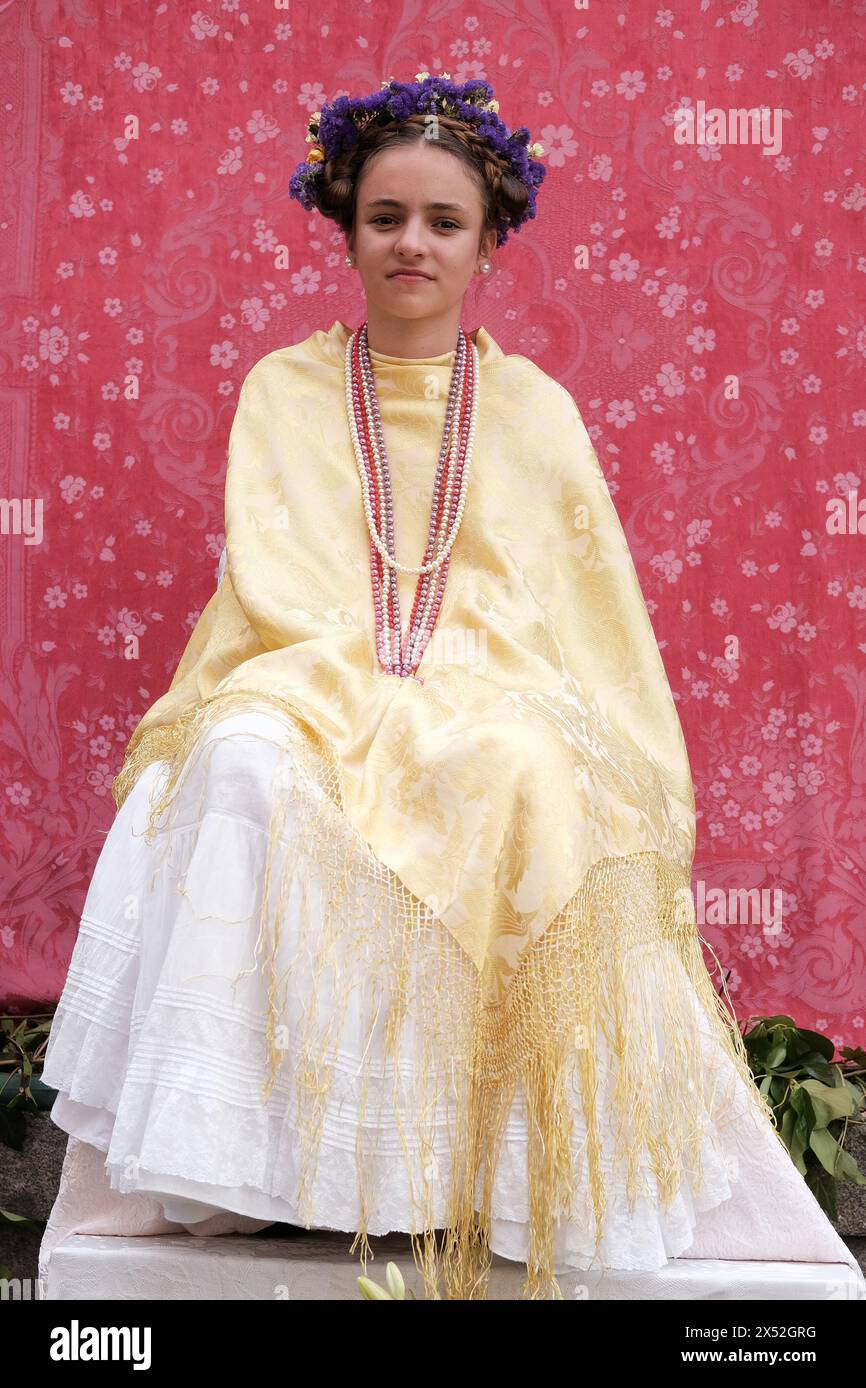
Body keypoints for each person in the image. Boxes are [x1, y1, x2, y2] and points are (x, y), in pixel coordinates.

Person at [39, 73, 864, 1302]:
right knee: (242, 755)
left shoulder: (533, 411)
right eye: (384, 217)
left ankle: (463, 1179)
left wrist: (450, 695)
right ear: (344, 223)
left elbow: (579, 622)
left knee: (522, 770)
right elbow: (287, 585)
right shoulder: (285, 388)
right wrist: (380, 694)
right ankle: (239, 1167)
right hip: (309, 674)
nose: (410, 243)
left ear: (488, 242)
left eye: (441, 221)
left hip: (492, 688)